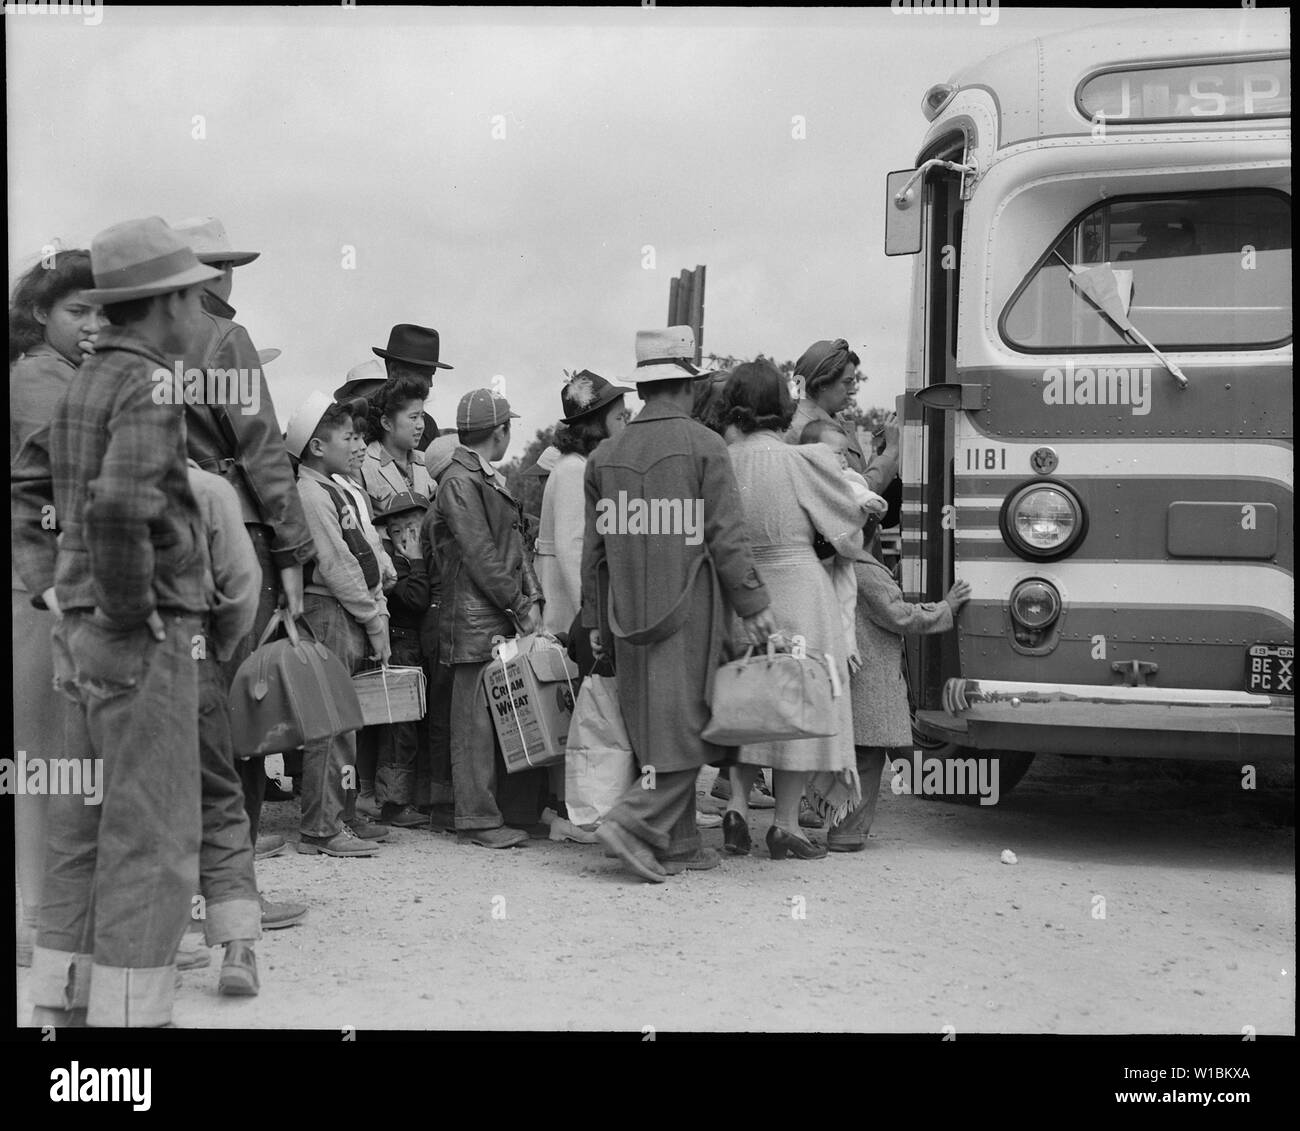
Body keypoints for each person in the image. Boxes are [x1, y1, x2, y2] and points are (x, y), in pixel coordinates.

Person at [11, 216, 220, 1027]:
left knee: (82, 819)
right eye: (196, 294)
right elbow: (122, 507)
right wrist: (130, 611)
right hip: (142, 632)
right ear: (166, 303)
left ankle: (64, 993)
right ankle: (132, 1026)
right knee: (154, 830)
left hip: (80, 635)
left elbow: (27, 491)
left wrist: (54, 589)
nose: (202, 308)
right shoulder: (150, 383)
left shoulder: (82, 378)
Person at [583, 327, 775, 882]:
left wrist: (595, 617)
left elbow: (594, 552)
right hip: (691, 609)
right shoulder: (706, 447)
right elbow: (726, 536)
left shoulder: (606, 455)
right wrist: (753, 601)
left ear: (645, 388)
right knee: (693, 727)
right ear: (688, 388)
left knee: (654, 730)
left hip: (628, 615)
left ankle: (681, 842)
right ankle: (632, 823)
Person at [172, 217, 315, 884]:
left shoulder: (141, 339)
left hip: (163, 529)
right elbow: (261, 453)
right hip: (234, 534)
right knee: (245, 708)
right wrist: (291, 553)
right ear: (216, 272)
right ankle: (232, 885)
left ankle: (185, 888)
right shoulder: (226, 336)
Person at [717, 359, 864, 861]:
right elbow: (848, 532)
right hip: (799, 588)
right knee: (799, 705)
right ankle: (784, 825)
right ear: (781, 405)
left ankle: (735, 806)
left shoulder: (719, 461)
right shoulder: (804, 460)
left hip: (739, 592)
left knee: (744, 701)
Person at [9, 249, 102, 967]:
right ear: (41, 313)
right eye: (77, 310)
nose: (93, 324)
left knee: (57, 755)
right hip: (37, 585)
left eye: (104, 310)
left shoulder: (69, 374)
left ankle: (57, 919)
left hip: (54, 580)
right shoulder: (41, 378)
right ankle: (40, 923)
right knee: (45, 757)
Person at [431, 389, 542, 848]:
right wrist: (521, 603)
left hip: (488, 615)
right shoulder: (463, 479)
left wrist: (527, 597)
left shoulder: (478, 476)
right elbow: (480, 552)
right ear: (501, 431)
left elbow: (510, 545)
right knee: (474, 725)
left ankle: (483, 815)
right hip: (478, 619)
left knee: (483, 723)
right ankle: (475, 820)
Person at [287, 392, 392, 857]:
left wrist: (375, 611)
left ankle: (339, 817)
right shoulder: (310, 493)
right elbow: (336, 565)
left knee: (344, 722)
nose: (356, 444)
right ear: (315, 446)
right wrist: (373, 619)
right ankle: (320, 827)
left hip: (345, 611)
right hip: (330, 612)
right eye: (347, 436)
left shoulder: (328, 487)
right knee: (329, 723)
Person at [185, 459, 266, 993]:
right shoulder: (211, 489)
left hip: (119, 670)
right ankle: (237, 948)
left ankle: (157, 944)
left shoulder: (99, 479)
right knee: (218, 802)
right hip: (192, 662)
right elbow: (242, 585)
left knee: (134, 809)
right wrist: (218, 647)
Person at [826, 559, 969, 852]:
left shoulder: (836, 562)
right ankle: (847, 832)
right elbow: (898, 615)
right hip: (868, 677)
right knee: (866, 753)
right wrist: (945, 607)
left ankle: (844, 828)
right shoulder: (865, 570)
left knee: (856, 752)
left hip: (849, 675)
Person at [536, 370, 634, 636]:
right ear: (596, 424)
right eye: (619, 417)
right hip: (573, 621)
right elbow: (573, 549)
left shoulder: (583, 466)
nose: (625, 424)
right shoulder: (573, 470)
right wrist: (595, 617)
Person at [370, 490, 433, 828]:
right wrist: (417, 561)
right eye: (397, 531)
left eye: (413, 527)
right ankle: (393, 802)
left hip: (419, 648)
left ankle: (415, 798)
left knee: (416, 726)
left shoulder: (426, 557)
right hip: (401, 646)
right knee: (399, 728)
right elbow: (416, 598)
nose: (406, 537)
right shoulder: (395, 564)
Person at [785, 338, 899, 493]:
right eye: (847, 382)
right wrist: (890, 452)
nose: (852, 389)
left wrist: (881, 452)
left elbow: (858, 476)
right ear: (823, 383)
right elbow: (852, 496)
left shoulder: (832, 420)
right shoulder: (805, 432)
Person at [361, 374, 436, 512]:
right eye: (413, 417)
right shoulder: (363, 464)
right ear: (386, 423)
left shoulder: (429, 463)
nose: (421, 425)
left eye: (422, 417)